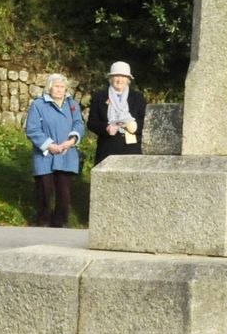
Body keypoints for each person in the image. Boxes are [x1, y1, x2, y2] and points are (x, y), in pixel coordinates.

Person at [25, 73, 85, 228]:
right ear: (49, 88)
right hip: (45, 155)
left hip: (67, 152)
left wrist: (71, 140)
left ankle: (61, 221)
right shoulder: (38, 105)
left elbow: (79, 124)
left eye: (62, 87)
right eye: (56, 86)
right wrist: (49, 145)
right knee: (44, 189)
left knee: (64, 191)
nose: (59, 90)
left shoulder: (72, 105)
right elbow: (32, 129)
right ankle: (43, 220)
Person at [86, 61, 147, 168]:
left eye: (123, 76)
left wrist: (134, 126)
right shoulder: (99, 97)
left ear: (128, 79)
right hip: (107, 147)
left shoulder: (137, 97)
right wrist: (106, 128)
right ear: (111, 78)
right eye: (116, 76)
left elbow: (145, 121)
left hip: (131, 148)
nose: (119, 80)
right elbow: (92, 123)